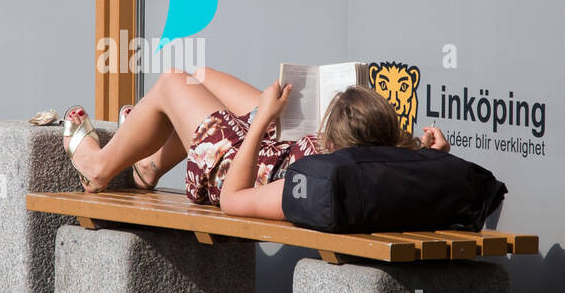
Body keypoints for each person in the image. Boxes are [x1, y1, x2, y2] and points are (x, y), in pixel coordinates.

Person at [61, 68, 449, 221]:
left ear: (332, 141)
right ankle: (148, 164)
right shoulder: (384, 159)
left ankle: (98, 167)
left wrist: (262, 118)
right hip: (278, 149)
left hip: (240, 167)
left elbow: (233, 197)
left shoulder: (309, 186)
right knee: (201, 77)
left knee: (173, 84)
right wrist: (429, 154)